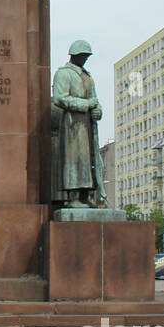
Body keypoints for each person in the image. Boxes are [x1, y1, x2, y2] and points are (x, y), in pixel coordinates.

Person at [52, 40, 106, 207]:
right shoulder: (64, 73)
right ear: (74, 55)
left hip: (88, 125)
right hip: (73, 125)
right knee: (74, 158)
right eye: (83, 56)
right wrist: (85, 105)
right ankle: (73, 197)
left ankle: (86, 195)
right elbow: (59, 97)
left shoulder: (87, 76)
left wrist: (97, 110)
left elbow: (95, 100)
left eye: (86, 57)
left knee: (89, 159)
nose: (85, 59)